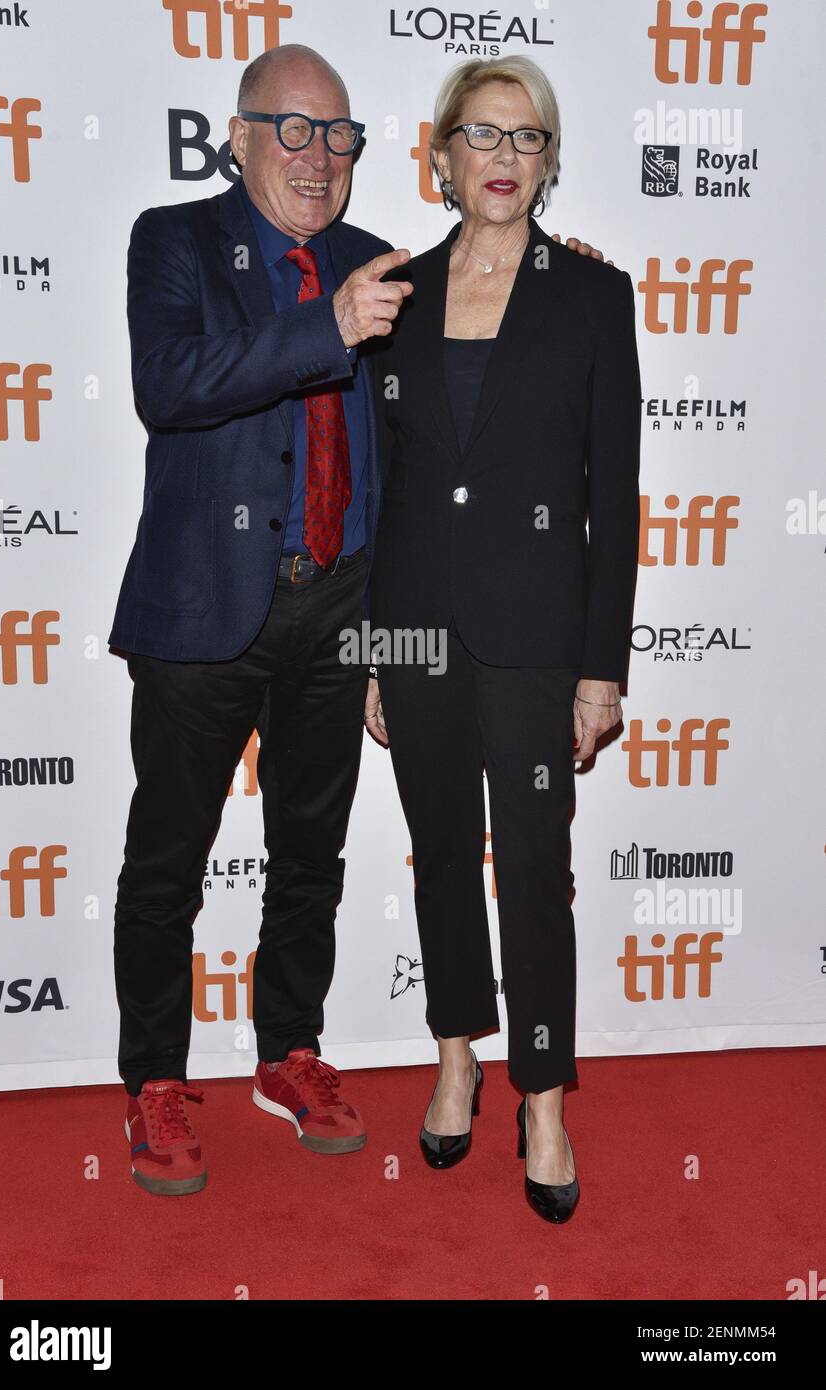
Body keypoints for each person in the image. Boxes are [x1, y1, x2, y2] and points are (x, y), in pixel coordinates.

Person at [109, 42, 606, 1198]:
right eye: (291, 129)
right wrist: (324, 326)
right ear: (235, 138)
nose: (317, 155)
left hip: (340, 610)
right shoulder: (172, 241)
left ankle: (288, 1050)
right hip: (201, 609)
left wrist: (560, 277)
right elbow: (168, 384)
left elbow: (477, 370)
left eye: (337, 135)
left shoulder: (380, 264)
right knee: (166, 861)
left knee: (309, 855)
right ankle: (152, 1079)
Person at [365, 55, 641, 1223]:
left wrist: (599, 666)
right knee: (438, 852)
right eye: (481, 136)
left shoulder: (590, 296)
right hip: (418, 627)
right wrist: (377, 647)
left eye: (525, 139)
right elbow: (388, 486)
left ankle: (539, 1092)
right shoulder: (397, 297)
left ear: (548, 160)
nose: (503, 158)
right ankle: (454, 1052)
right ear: (440, 157)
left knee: (532, 867)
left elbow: (612, 491)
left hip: (535, 633)